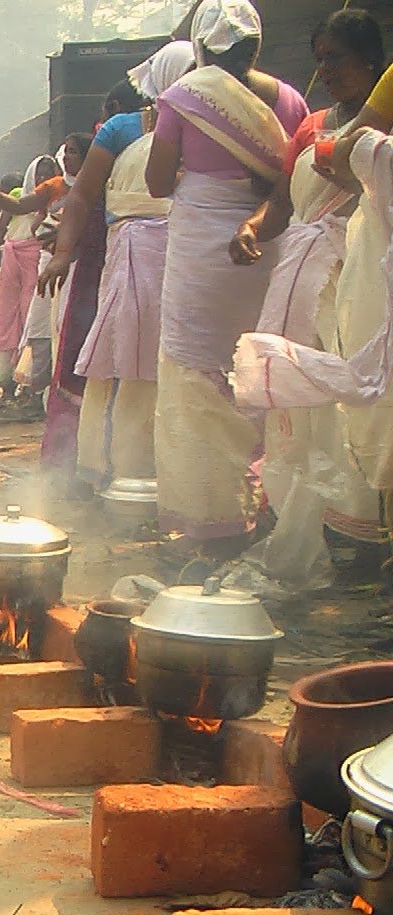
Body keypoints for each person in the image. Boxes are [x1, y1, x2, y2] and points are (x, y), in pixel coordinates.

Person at [225, 10, 386, 568]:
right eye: (320, 59)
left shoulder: (379, 129)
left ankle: (357, 529)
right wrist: (251, 227)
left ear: (370, 58)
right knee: (292, 397)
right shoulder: (311, 124)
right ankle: (292, 510)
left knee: (344, 401)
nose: (327, 68)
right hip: (297, 275)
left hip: (356, 280)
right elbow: (285, 204)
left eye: (336, 56)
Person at [144, 0, 308, 548]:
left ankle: (211, 519)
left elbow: (158, 182)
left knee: (196, 375)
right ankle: (265, 502)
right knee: (257, 366)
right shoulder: (290, 98)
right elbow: (290, 180)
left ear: (201, 47)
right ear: (257, 46)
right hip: (266, 243)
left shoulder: (186, 97)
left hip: (201, 253)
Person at [40, 40, 195, 486]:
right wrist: (64, 254)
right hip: (131, 257)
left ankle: (175, 476)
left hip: (189, 252)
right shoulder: (123, 129)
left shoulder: (209, 127)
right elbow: (83, 195)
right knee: (121, 356)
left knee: (180, 360)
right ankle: (110, 467)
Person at [0, 154, 62, 392]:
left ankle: (25, 379)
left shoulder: (55, 196)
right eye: (40, 173)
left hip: (36, 259)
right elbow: (1, 228)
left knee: (31, 316)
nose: (43, 177)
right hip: (12, 258)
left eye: (49, 173)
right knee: (5, 314)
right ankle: (4, 375)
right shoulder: (16, 196)